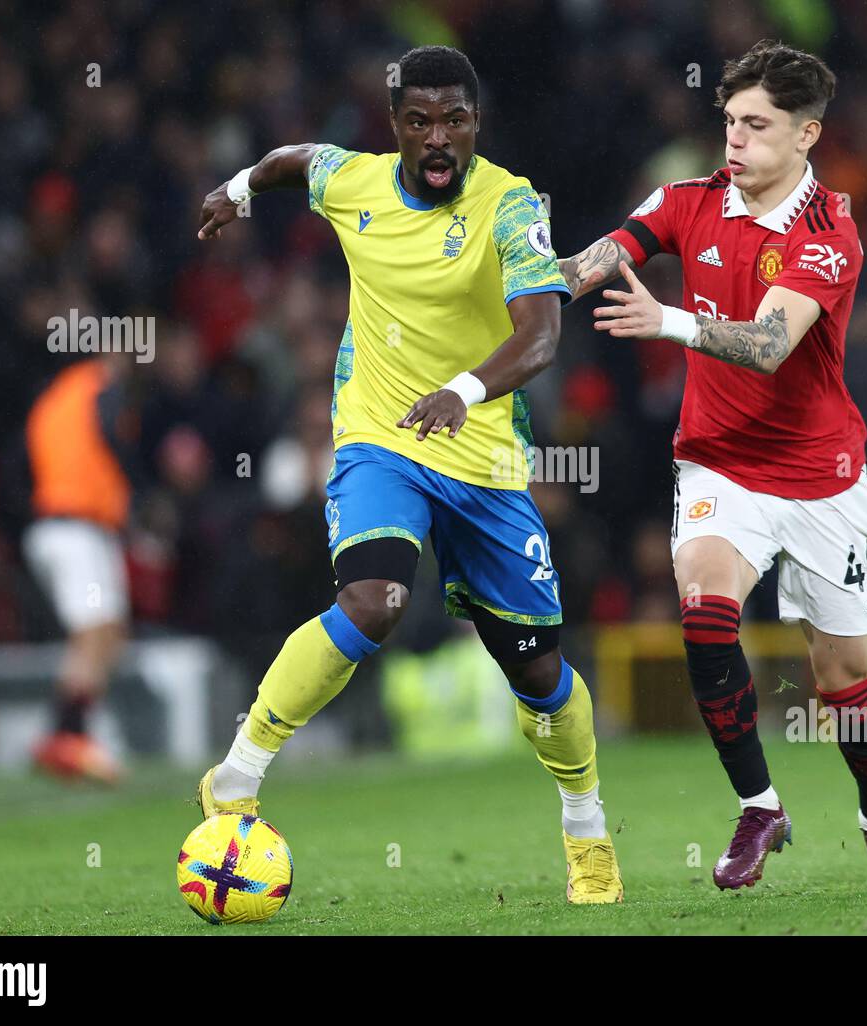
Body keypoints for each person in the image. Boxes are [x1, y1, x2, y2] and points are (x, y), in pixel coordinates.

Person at [192, 46, 622, 903]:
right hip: (380, 440)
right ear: (394, 126)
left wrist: (463, 392)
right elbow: (294, 162)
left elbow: (540, 337)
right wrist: (237, 190)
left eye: (453, 121)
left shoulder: (509, 204)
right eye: (419, 121)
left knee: (538, 672)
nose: (437, 139)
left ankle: (585, 826)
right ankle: (236, 777)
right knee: (374, 601)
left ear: (475, 125)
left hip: (487, 463)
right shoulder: (353, 182)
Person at [559, 40, 867, 890]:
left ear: (805, 135)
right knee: (704, 613)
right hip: (719, 469)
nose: (735, 140)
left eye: (756, 125)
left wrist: (670, 322)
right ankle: (759, 806)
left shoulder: (829, 229)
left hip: (823, 480)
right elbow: (592, 262)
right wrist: (529, 293)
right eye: (729, 121)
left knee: (847, 686)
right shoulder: (689, 201)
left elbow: (767, 344)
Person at [24, 354, 138, 783]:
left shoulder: (53, 401)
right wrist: (141, 487)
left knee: (109, 633)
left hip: (64, 527)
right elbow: (115, 437)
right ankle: (65, 737)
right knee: (93, 633)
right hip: (77, 530)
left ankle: (75, 734)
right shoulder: (99, 386)